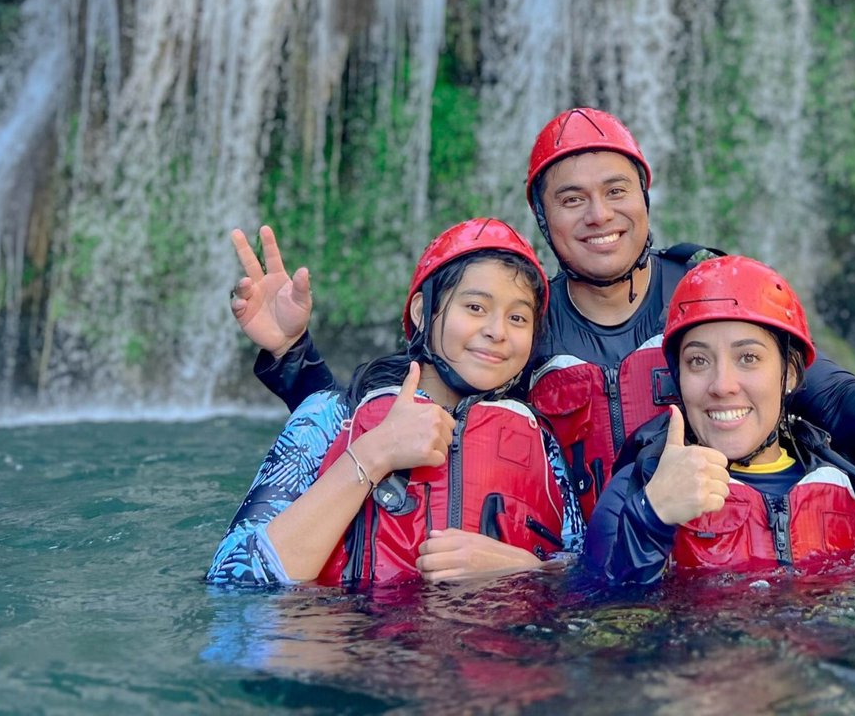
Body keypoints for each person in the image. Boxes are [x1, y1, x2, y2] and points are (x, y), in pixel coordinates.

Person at [233, 108, 855, 518]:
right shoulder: (519, 322)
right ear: (544, 222)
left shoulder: (706, 290)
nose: (599, 215)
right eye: (571, 199)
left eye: (616, 191)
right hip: (589, 571)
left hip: (716, 547)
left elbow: (819, 387)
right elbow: (397, 404)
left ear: (645, 199)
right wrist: (295, 354)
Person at [208, 218, 583, 588]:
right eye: (475, 308)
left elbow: (581, 573)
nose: (497, 332)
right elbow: (233, 577)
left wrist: (526, 567)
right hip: (357, 640)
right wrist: (374, 454)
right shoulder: (331, 414)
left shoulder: (541, 440)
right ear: (422, 312)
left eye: (517, 317)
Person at [584, 256, 855, 583]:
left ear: (789, 374)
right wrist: (649, 521)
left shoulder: (853, 493)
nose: (722, 385)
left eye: (748, 358)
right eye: (698, 361)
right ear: (680, 379)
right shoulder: (635, 491)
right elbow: (601, 632)